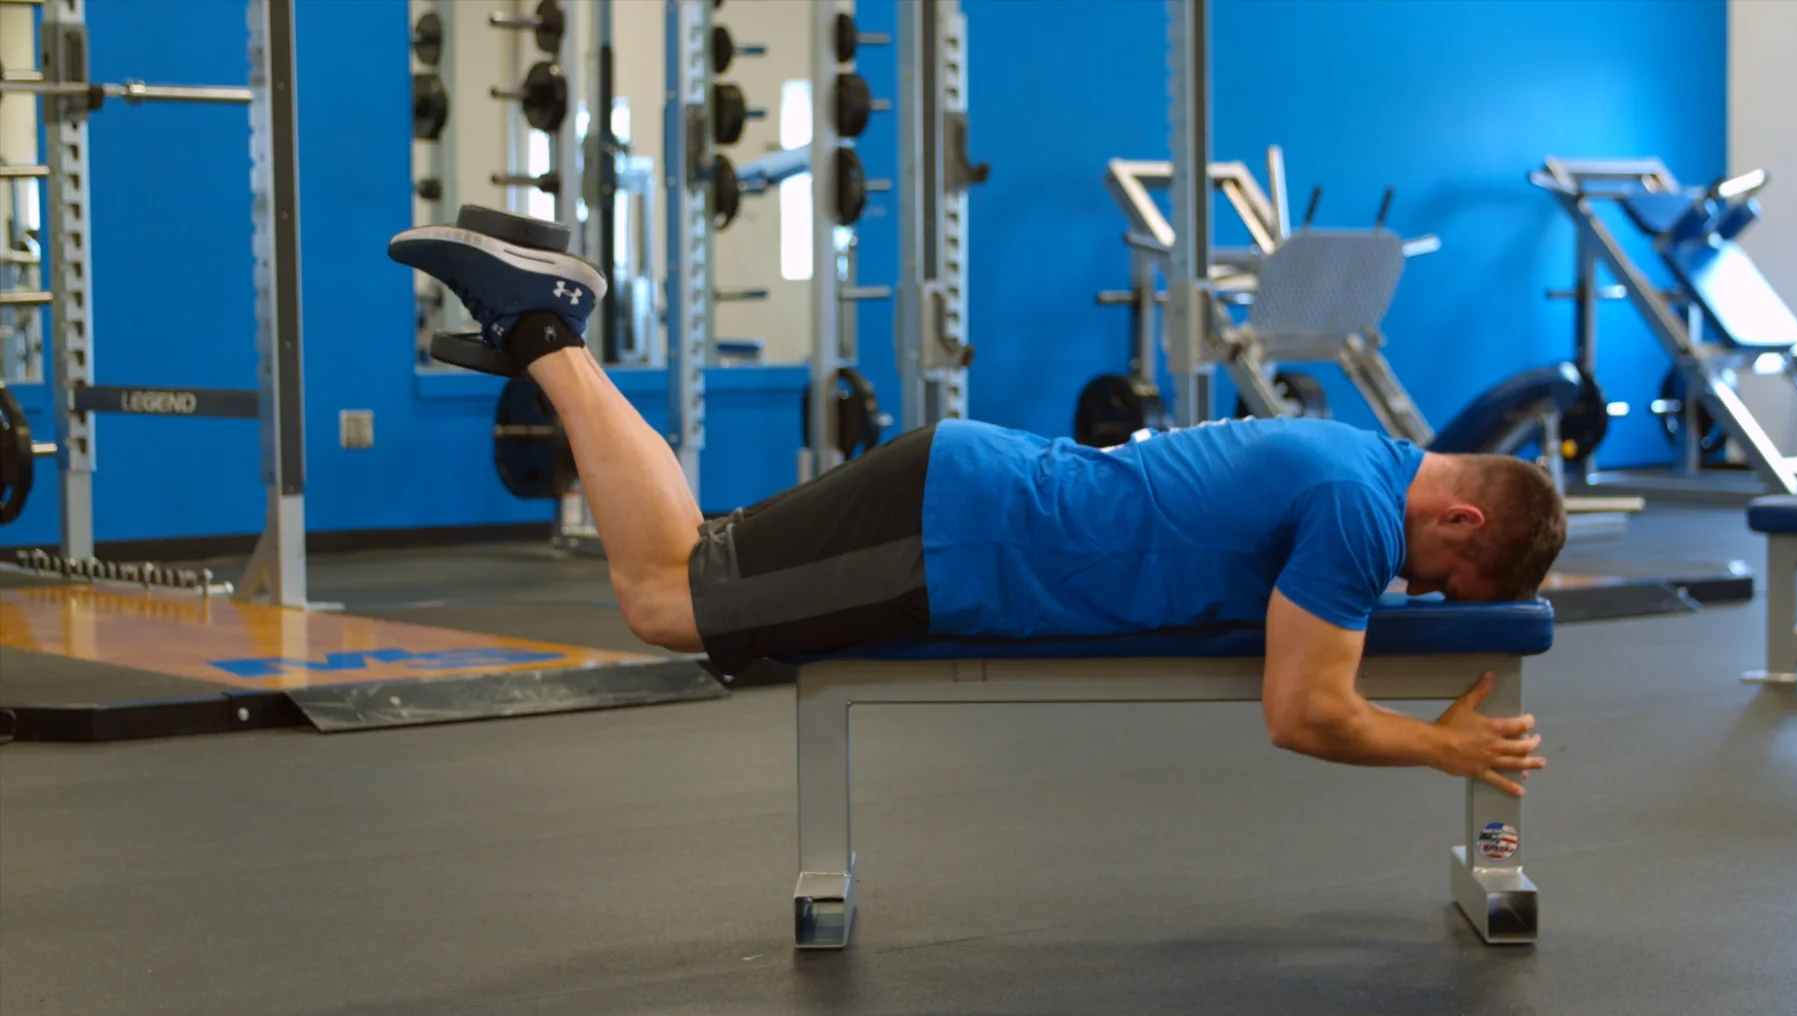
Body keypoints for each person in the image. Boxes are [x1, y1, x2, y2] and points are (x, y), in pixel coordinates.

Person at [390, 221, 1564, 797]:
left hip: (962, 492)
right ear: (1464, 523)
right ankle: (545, 328)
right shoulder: (1360, 513)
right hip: (961, 534)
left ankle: (546, 333)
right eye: (1442, 579)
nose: (1416, 592)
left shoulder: (1361, 455)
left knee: (686, 561)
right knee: (666, 599)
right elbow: (1303, 712)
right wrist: (1445, 747)